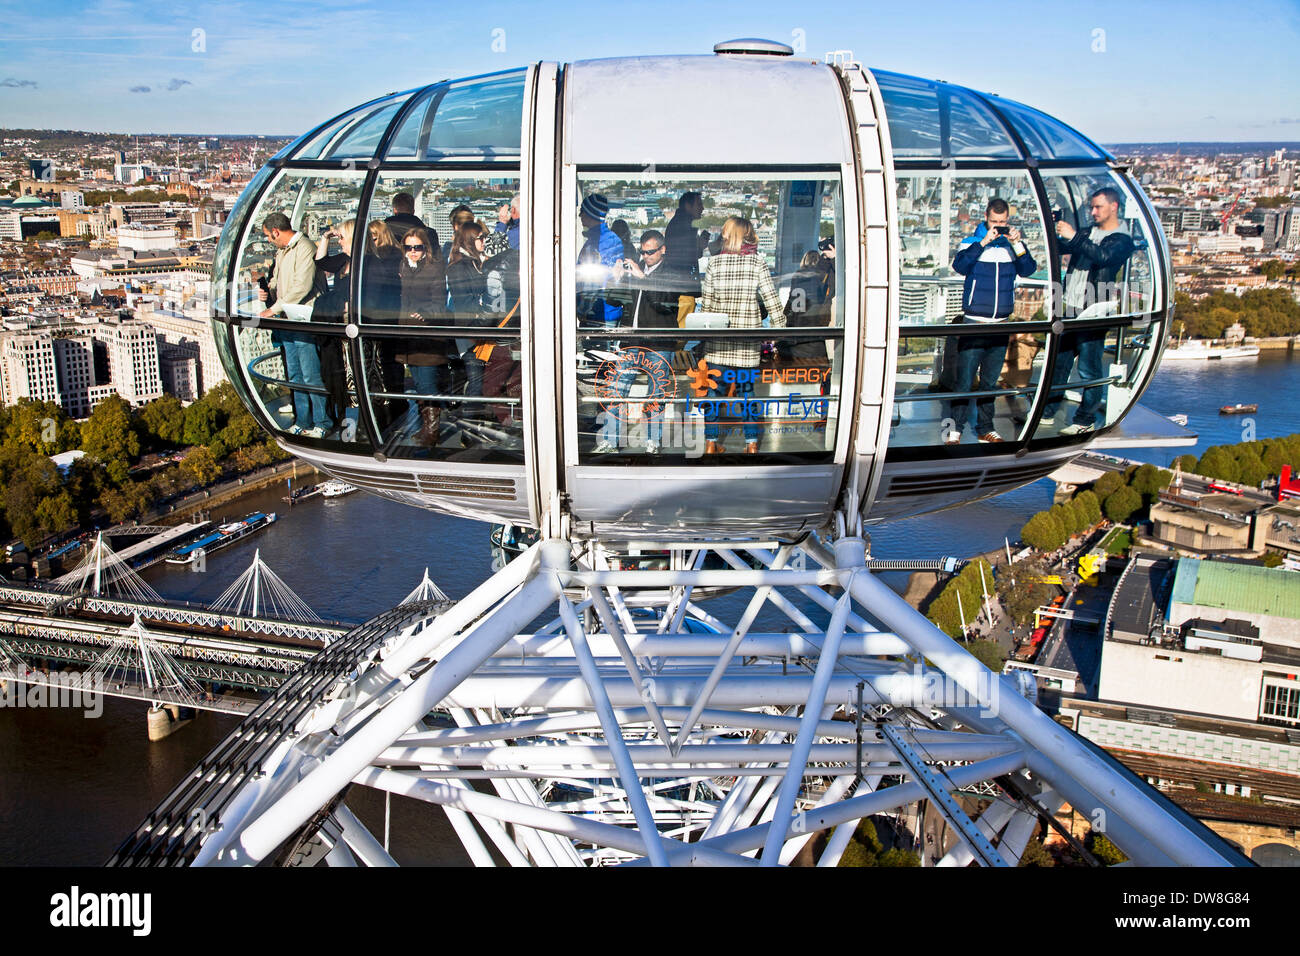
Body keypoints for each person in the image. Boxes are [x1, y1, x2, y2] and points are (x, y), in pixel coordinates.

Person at [1044, 186, 1136, 435]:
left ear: (1113, 207)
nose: (1093, 212)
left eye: (1098, 207)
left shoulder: (1122, 239)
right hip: (1073, 307)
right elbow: (1062, 248)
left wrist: (1074, 236)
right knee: (1060, 362)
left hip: (1094, 309)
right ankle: (1048, 412)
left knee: (1088, 365)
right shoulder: (1088, 232)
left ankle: (1085, 420)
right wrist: (1056, 231)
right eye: (1091, 207)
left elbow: (1104, 257)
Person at [946, 198, 1038, 444]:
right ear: (986, 218)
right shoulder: (971, 241)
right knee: (964, 380)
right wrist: (983, 242)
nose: (999, 226)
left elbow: (1028, 269)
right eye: (994, 222)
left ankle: (985, 428)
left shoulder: (1011, 245)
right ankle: (954, 429)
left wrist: (1018, 244)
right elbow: (960, 266)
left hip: (1001, 323)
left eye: (1003, 222)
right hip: (974, 322)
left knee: (990, 382)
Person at [596, 229, 695, 453]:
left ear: (663, 250)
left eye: (650, 252)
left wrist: (643, 278)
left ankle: (653, 441)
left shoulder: (670, 273)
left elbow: (662, 303)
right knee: (616, 388)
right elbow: (614, 300)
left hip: (659, 343)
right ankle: (612, 441)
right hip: (632, 342)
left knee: (657, 393)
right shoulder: (637, 271)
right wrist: (617, 278)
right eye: (643, 252)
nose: (645, 256)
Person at [700, 216, 785, 455]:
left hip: (718, 345)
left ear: (729, 235)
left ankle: (710, 443)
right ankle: (752, 444)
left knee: (714, 395)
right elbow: (772, 301)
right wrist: (781, 330)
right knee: (747, 395)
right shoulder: (757, 263)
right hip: (747, 347)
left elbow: (707, 308)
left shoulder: (714, 264)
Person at [256, 212, 330, 437]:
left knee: (310, 374)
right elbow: (278, 282)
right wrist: (267, 290)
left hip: (302, 318)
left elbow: (302, 286)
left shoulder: (305, 247)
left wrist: (273, 309)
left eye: (269, 236)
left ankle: (322, 422)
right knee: (296, 375)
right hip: (287, 319)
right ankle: (303, 420)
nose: (269, 240)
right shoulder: (283, 251)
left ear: (276, 232)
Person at [394, 226, 452, 446]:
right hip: (409, 335)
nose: (412, 251)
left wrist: (425, 314)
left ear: (425, 247)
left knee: (427, 384)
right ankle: (425, 428)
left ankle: (432, 432)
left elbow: (439, 304)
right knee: (418, 383)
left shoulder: (435, 268)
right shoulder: (405, 266)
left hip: (427, 336)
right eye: (408, 247)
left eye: (417, 247)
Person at [447, 220, 491, 405]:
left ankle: (475, 423)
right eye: (481, 238)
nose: (484, 241)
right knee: (476, 383)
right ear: (470, 240)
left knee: (484, 382)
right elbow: (464, 303)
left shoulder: (478, 263)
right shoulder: (458, 267)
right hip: (471, 332)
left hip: (484, 329)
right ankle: (470, 427)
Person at [576, 193, 624, 337]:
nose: (580, 216)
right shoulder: (599, 240)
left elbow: (605, 279)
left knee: (601, 356)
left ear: (591, 214)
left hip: (601, 312)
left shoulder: (604, 242)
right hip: (595, 310)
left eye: (582, 211)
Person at [665, 191, 704, 278]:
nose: (702, 208)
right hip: (683, 278)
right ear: (688, 206)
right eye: (699, 204)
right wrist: (700, 246)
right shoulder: (683, 226)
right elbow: (688, 256)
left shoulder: (680, 223)